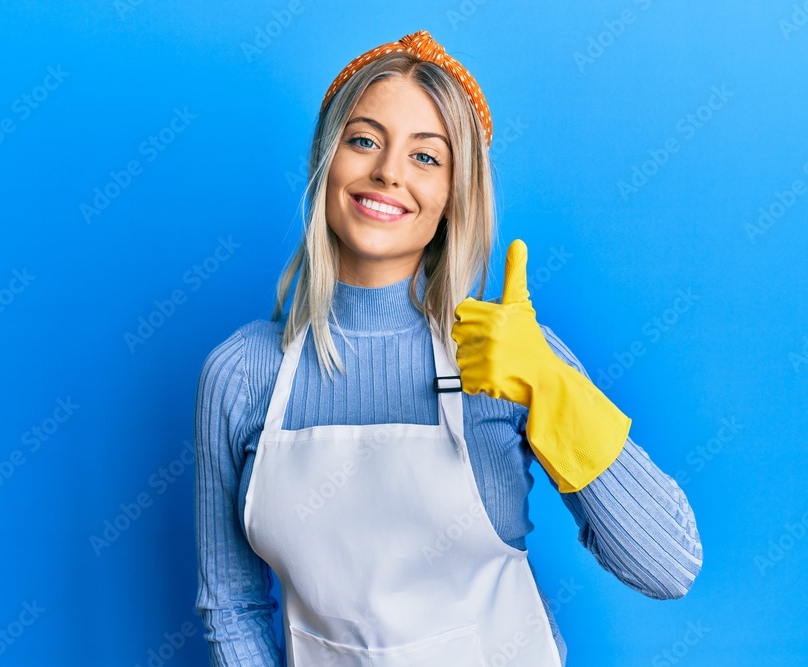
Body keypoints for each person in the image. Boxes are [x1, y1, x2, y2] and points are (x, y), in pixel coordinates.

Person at [194, 29, 702, 666]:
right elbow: (233, 606)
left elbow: (668, 567)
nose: (388, 171)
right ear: (327, 164)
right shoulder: (242, 373)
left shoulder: (508, 356)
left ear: (454, 197)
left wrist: (551, 385)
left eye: (426, 157)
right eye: (364, 140)